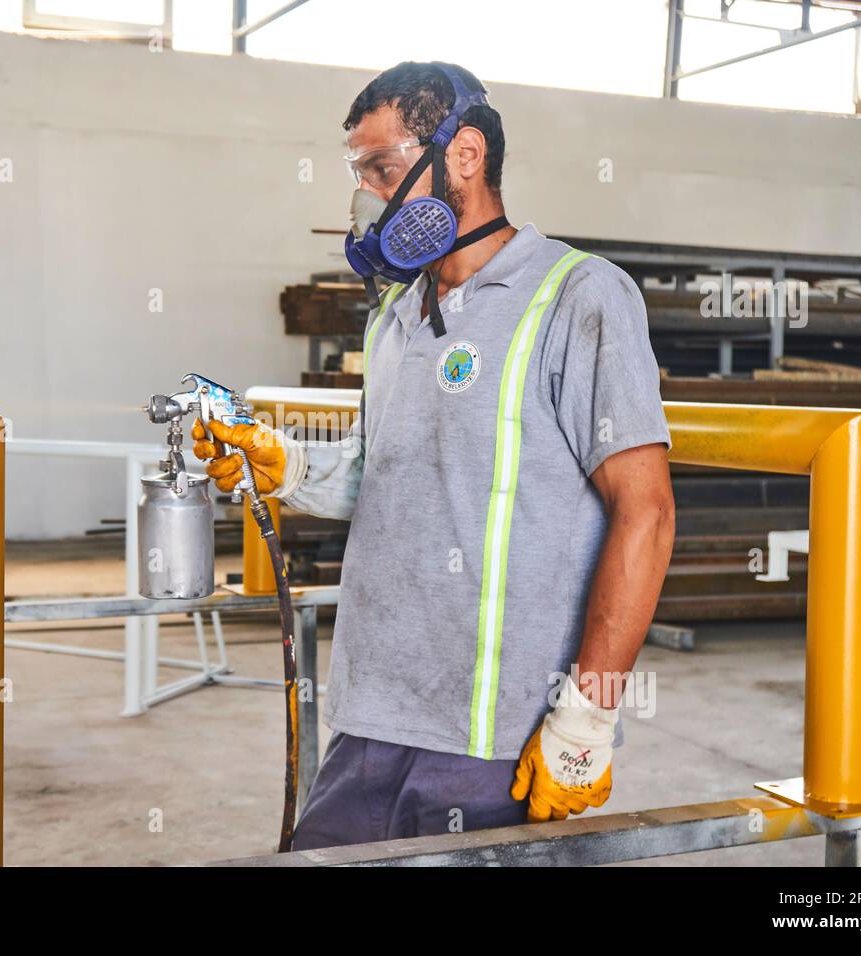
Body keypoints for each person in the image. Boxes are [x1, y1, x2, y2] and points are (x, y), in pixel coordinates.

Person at [193, 61, 675, 850]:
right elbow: (388, 474)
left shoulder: (579, 295)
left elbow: (646, 512)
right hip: (369, 712)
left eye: (382, 170)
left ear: (464, 155)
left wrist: (586, 717)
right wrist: (290, 468)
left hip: (492, 733)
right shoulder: (396, 315)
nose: (366, 200)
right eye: (361, 175)